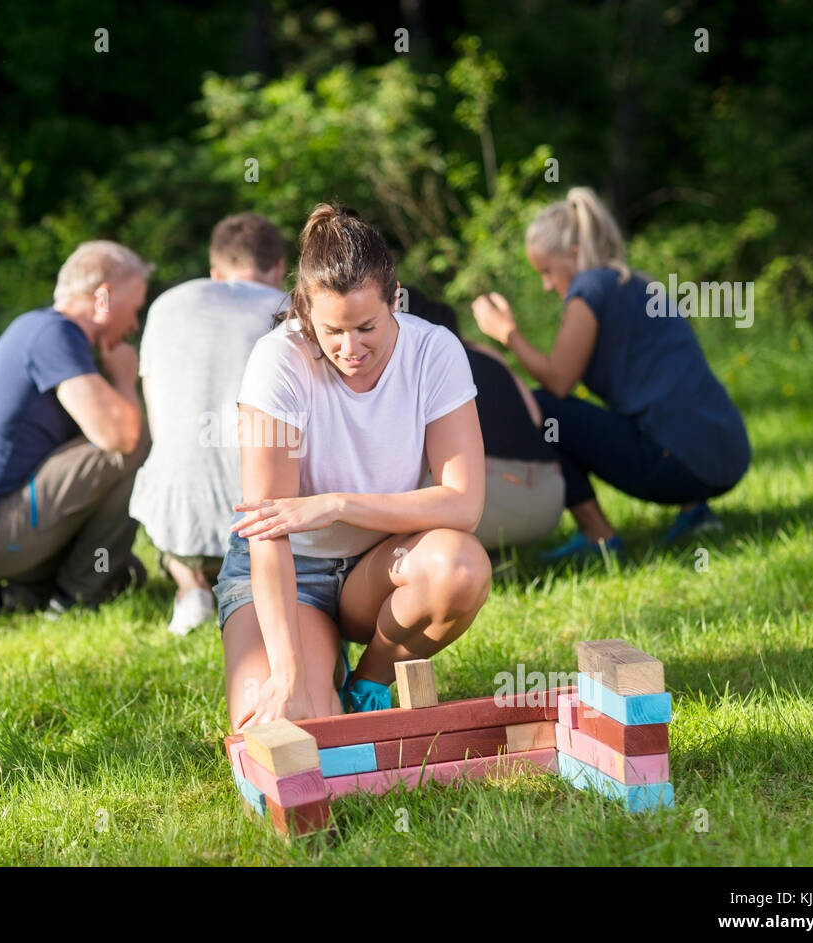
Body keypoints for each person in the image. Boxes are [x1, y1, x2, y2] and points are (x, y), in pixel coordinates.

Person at [216, 204, 490, 730]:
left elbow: (464, 504)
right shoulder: (277, 361)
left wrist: (336, 504)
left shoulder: (434, 351)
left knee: (460, 566)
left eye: (366, 327)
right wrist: (290, 673)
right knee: (279, 725)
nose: (349, 348)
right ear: (304, 312)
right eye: (331, 331)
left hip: (377, 565)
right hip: (289, 570)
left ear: (395, 298)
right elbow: (266, 530)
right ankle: (319, 676)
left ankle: (370, 681)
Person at [470, 187, 750, 561]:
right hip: (729, 452)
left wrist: (506, 333)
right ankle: (695, 512)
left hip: (680, 464)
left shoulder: (590, 288)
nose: (547, 285)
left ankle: (598, 536)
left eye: (548, 272)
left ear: (573, 255)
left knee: (540, 409)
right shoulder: (638, 282)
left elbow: (559, 381)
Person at [0, 240, 154, 634]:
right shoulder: (54, 335)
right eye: (136, 307)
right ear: (103, 298)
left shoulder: (37, 330)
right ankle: (72, 599)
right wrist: (125, 378)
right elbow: (118, 437)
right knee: (138, 439)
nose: (136, 324)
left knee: (126, 573)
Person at [129, 214, 289, 635]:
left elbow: (158, 422)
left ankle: (190, 585)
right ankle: (242, 584)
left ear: (215, 273)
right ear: (278, 267)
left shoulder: (167, 305)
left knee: (163, 469)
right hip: (264, 518)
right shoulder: (291, 309)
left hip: (178, 515)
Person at [403, 286, 565, 551]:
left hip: (496, 500)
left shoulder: (424, 368)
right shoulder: (486, 357)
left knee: (398, 488)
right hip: (551, 494)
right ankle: (496, 562)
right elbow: (536, 416)